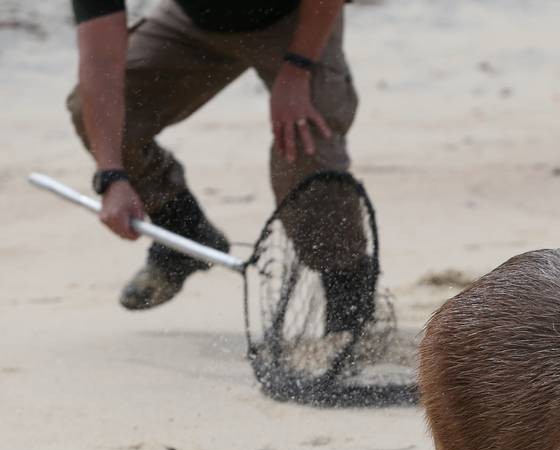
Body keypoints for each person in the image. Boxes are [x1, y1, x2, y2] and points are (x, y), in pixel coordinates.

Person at [68, 0, 373, 332]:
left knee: (306, 146)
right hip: (196, 20)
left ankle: (349, 299)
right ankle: (182, 229)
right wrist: (112, 176)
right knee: (95, 113)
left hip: (294, 15)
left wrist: (297, 70)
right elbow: (100, 59)